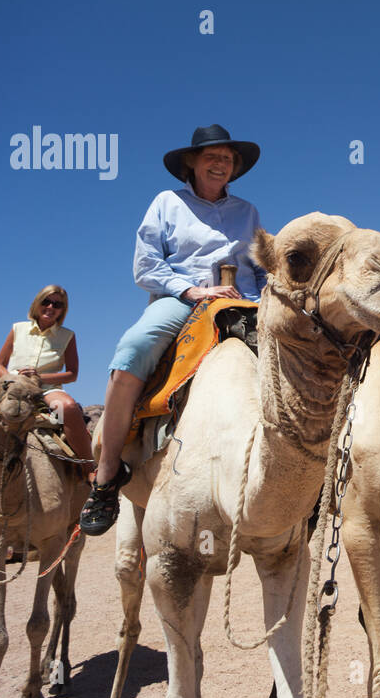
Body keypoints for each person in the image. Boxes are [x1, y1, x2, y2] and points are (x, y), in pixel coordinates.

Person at [79, 124, 266, 536]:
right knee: (132, 350)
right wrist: (193, 289)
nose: (221, 164)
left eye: (227, 159)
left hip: (243, 301)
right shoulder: (167, 203)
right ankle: (107, 474)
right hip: (183, 299)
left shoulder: (248, 212)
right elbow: (146, 265)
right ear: (192, 163)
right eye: (212, 157)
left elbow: (261, 267)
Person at [0, 285, 93, 522]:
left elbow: (72, 373)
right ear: (38, 303)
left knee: (68, 408)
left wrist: (39, 378)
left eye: (57, 304)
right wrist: (12, 378)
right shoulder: (17, 329)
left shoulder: (67, 336)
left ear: (63, 310)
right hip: (12, 389)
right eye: (47, 302)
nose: (51, 307)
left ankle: (89, 470)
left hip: (45, 390)